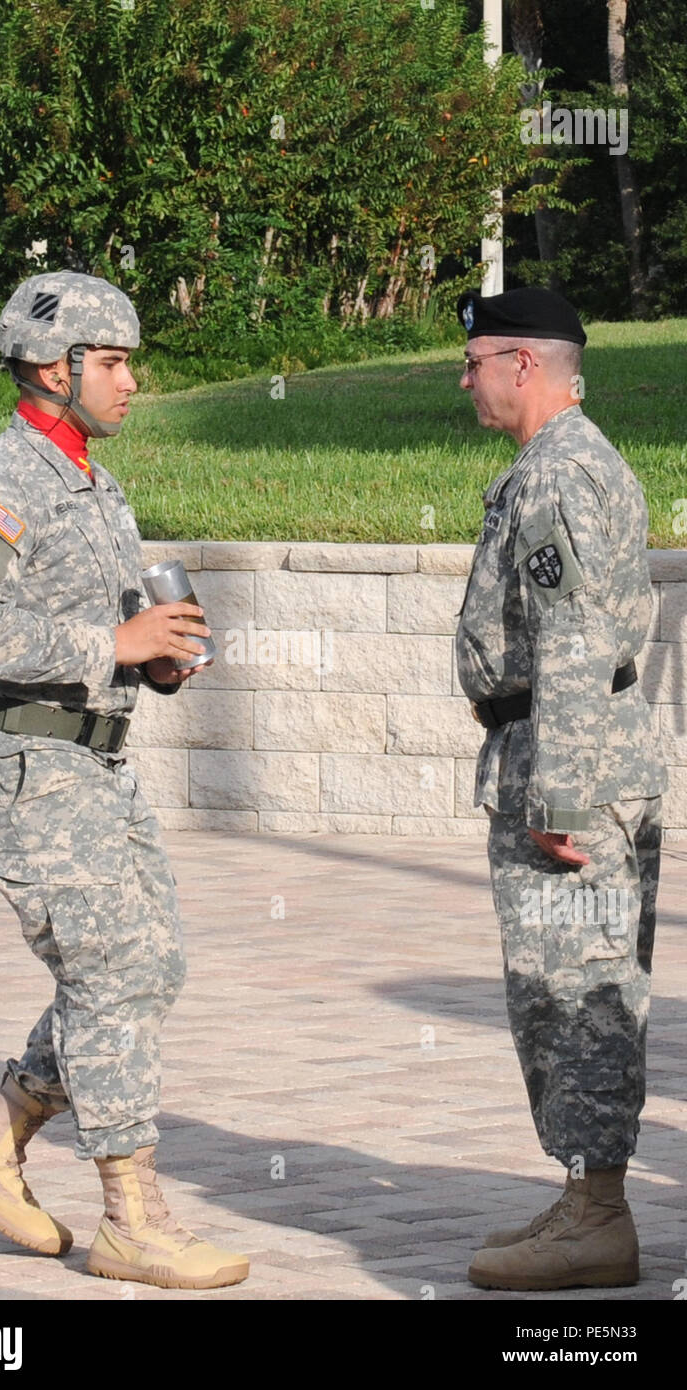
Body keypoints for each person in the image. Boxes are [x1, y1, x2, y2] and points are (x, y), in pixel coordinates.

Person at [0, 269, 249, 1290]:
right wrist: (113, 638)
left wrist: (149, 657)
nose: (131, 380)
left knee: (148, 964)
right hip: (16, 759)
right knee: (112, 966)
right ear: (54, 370)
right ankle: (131, 1219)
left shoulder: (93, 486)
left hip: (88, 756)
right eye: (113, 361)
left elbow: (101, 637)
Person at [453, 286, 666, 1291]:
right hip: (570, 752)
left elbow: (575, 640)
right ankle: (590, 1196)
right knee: (574, 986)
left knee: (572, 989)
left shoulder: (558, 476)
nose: (466, 379)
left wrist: (563, 800)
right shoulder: (565, 465)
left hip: (572, 764)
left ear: (524, 365)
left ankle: (597, 1217)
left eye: (476, 360)